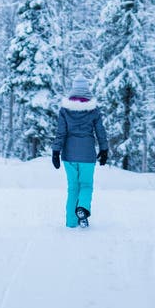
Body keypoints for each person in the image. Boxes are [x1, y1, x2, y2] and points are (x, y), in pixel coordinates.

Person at [51, 74, 108, 228]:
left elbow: (60, 133)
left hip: (69, 155)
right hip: (87, 155)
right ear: (87, 89)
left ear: (74, 88)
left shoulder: (65, 109)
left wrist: (56, 151)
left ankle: (71, 222)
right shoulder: (93, 109)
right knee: (86, 185)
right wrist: (104, 149)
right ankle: (82, 207)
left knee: (73, 187)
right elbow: (100, 131)